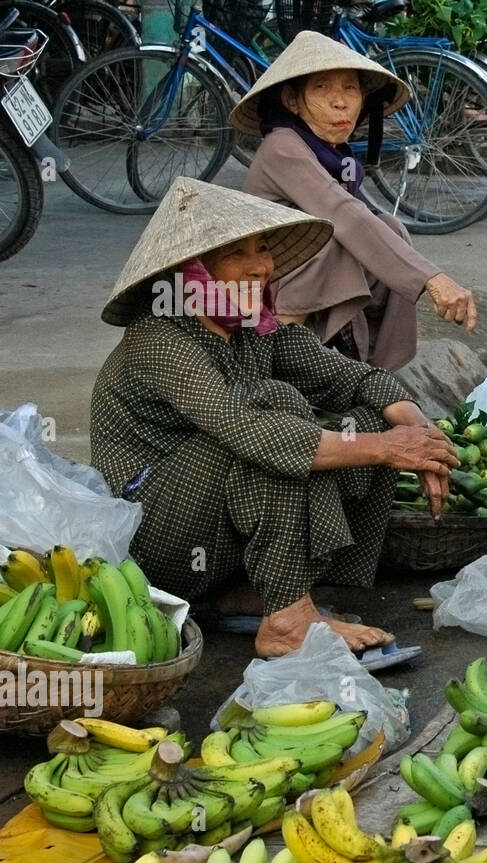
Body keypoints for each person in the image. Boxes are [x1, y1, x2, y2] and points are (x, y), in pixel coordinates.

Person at [91, 178, 462, 659]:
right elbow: (250, 430)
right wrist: (391, 450)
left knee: (369, 420)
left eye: (262, 250)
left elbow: (353, 378)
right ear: (193, 271)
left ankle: (253, 592)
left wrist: (417, 433)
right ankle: (287, 621)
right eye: (235, 255)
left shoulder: (252, 329)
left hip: (211, 537)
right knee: (275, 416)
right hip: (153, 544)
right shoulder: (159, 340)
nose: (259, 268)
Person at [232, 31, 478, 372]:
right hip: (260, 289)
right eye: (322, 88)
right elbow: (344, 215)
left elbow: (364, 222)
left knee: (390, 228)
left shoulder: (332, 153)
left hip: (297, 275)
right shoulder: (283, 146)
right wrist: (432, 279)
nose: (340, 101)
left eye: (350, 88)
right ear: (292, 100)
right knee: (338, 240)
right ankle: (278, 353)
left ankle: (377, 369)